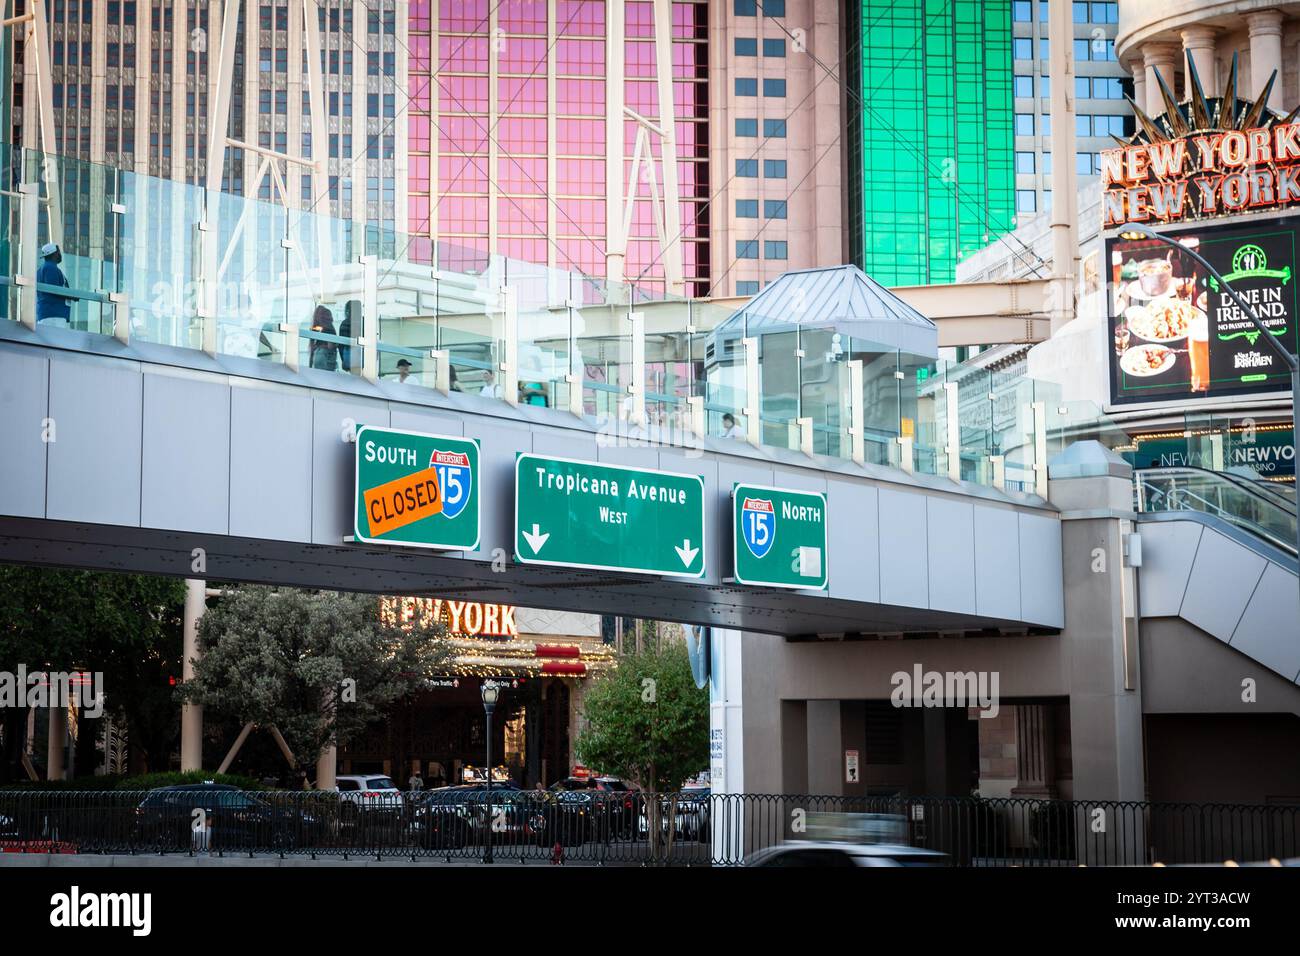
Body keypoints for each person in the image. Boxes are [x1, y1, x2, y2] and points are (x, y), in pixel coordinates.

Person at [36, 242, 74, 328]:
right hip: (54, 316)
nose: (60, 254)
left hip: (50, 314)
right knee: (57, 341)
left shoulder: (43, 269)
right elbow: (54, 290)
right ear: (54, 254)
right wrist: (72, 295)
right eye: (59, 252)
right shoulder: (50, 268)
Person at [308, 304, 339, 371]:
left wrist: (310, 366)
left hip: (317, 356)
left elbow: (312, 348)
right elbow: (330, 346)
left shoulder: (315, 327)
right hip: (326, 356)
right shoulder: (329, 328)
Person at [338, 299, 361, 372]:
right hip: (356, 355)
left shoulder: (345, 323)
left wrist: (343, 360)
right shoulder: (362, 323)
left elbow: (341, 344)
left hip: (350, 354)